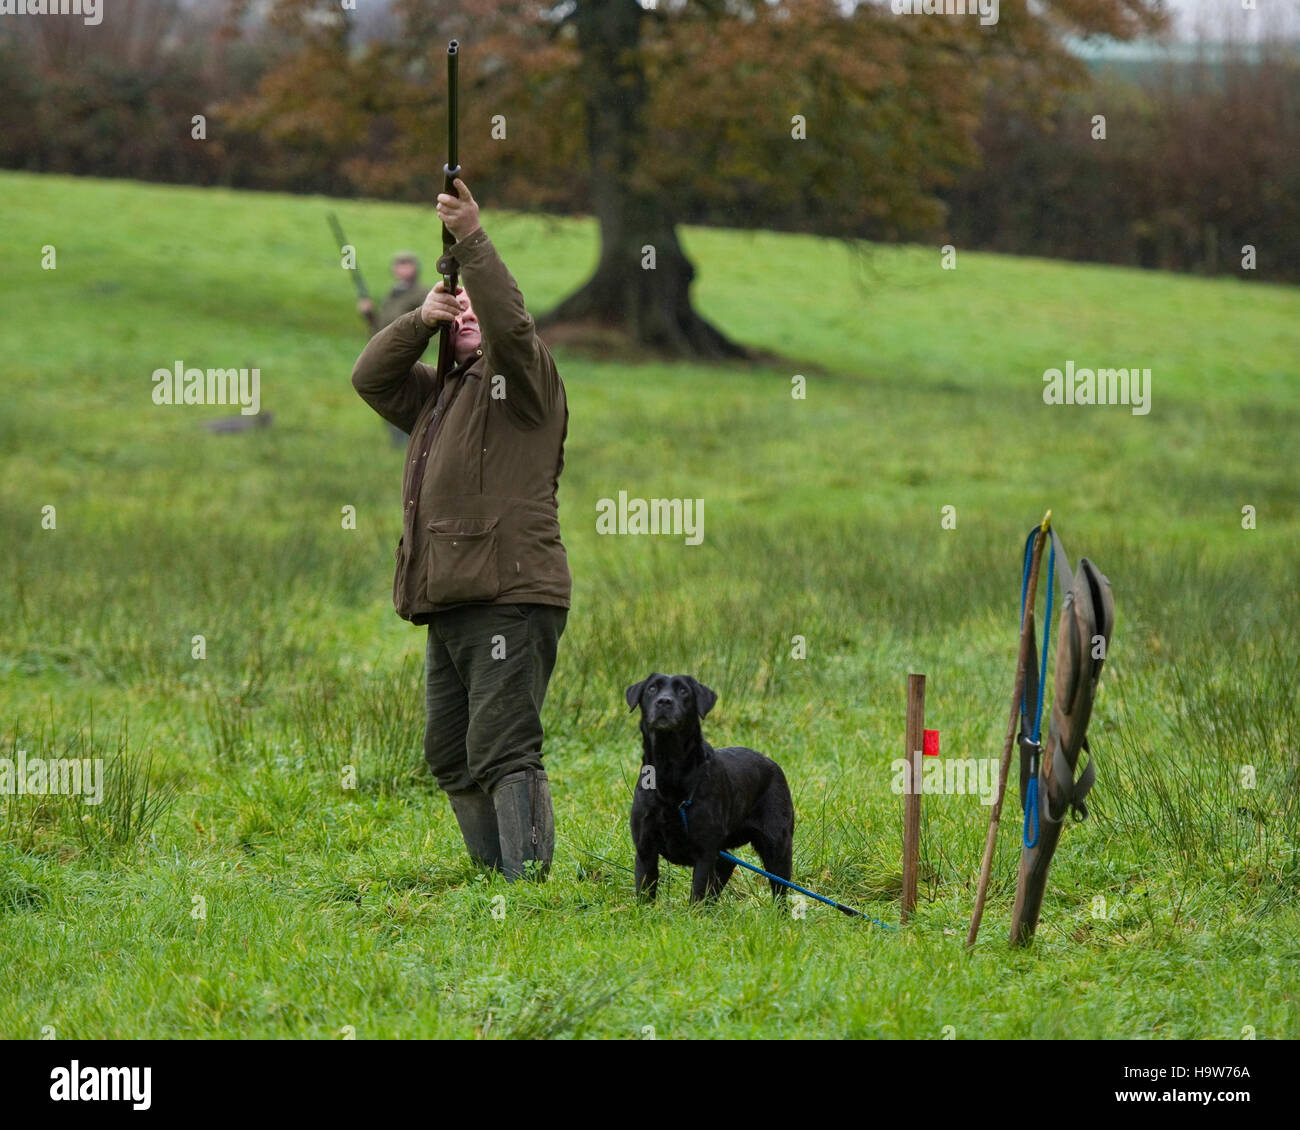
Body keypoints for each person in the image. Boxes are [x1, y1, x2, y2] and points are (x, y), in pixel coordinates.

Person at [350, 179, 570, 881]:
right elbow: (371, 379)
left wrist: (471, 238)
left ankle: (527, 890)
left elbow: (509, 324)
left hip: (509, 592)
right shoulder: (442, 394)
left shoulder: (524, 382)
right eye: (459, 308)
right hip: (450, 598)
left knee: (505, 748)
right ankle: (491, 881)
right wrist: (420, 320)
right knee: (451, 753)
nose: (468, 313)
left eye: (474, 305)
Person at [359, 253, 430, 446]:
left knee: (403, 398)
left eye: (405, 264)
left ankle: (409, 442)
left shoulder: (422, 293)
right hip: (385, 354)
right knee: (385, 395)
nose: (400, 268)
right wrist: (368, 314)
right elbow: (380, 329)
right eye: (398, 264)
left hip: (406, 355)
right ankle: (398, 442)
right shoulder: (393, 293)